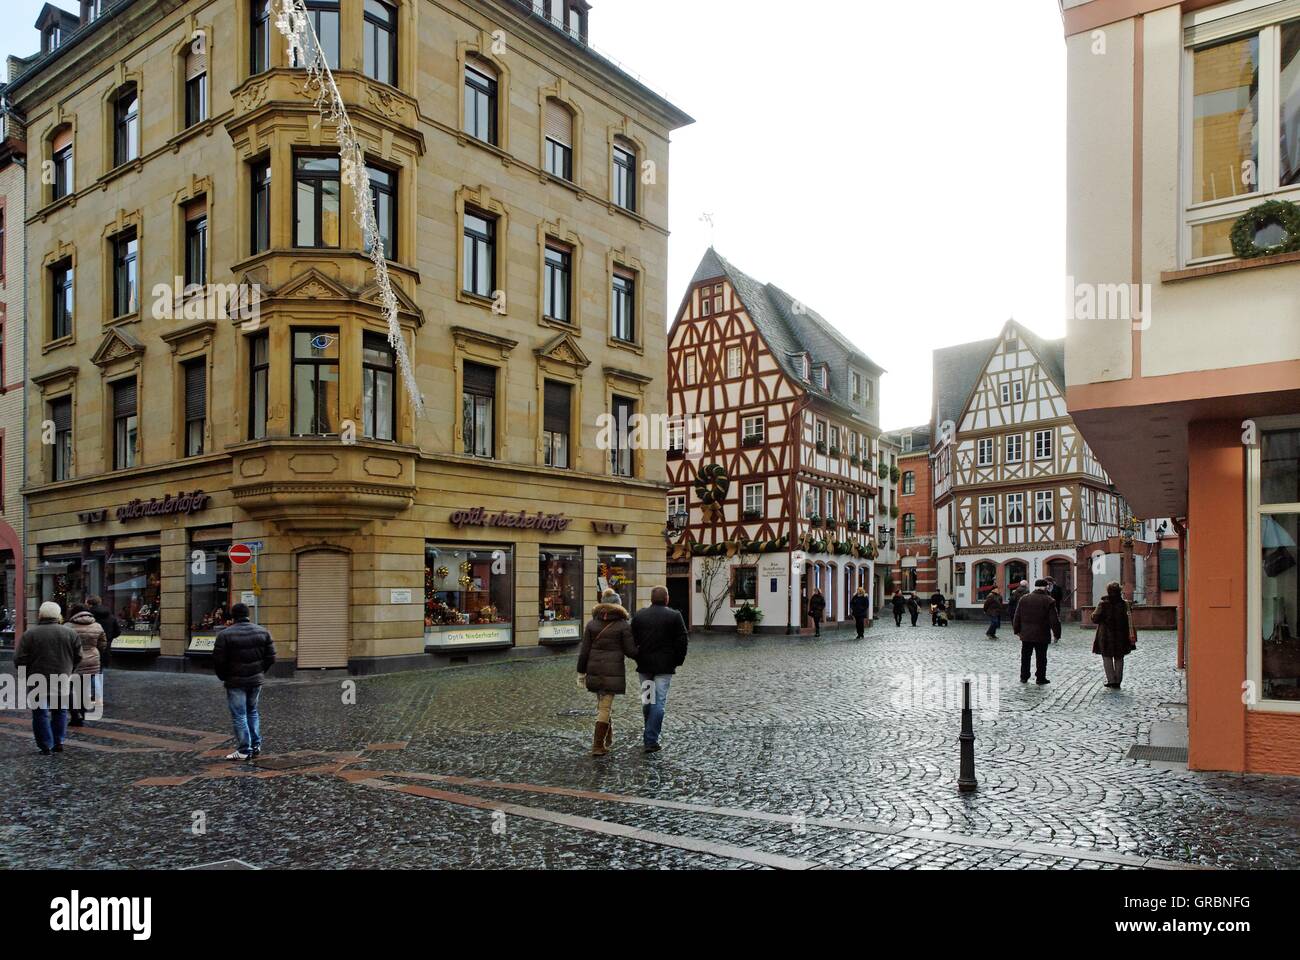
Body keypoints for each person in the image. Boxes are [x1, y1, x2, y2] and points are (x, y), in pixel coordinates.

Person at [212, 603, 276, 761]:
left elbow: (218, 661)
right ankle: (255, 745)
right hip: (255, 680)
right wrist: (260, 671)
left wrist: (224, 676)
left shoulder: (225, 635)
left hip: (235, 681)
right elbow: (271, 657)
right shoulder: (263, 632)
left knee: (239, 715)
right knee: (252, 711)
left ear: (233, 616)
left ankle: (244, 750)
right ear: (248, 614)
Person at [15, 602, 81, 755]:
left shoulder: (30, 634)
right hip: (62, 677)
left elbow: (20, 659)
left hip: (37, 679)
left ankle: (45, 745)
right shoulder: (70, 633)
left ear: (41, 615)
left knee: (40, 712)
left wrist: (25, 675)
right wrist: (69, 670)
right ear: (58, 616)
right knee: (60, 711)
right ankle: (58, 741)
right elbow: (79, 656)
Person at [578, 590, 638, 757]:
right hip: (612, 672)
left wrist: (581, 672)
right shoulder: (623, 626)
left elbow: (584, 652)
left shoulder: (591, 624)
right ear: (617, 605)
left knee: (602, 705)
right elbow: (631, 651)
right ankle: (598, 745)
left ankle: (607, 739)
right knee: (605, 707)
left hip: (594, 670)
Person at [630, 586, 689, 754]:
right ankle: (651, 739)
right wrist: (677, 661)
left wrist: (637, 656)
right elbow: (683, 641)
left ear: (651, 599)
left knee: (648, 700)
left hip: (645, 666)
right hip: (664, 667)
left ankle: (649, 732)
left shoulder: (640, 615)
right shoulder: (674, 616)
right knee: (659, 702)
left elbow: (631, 639)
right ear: (666, 599)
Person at [1012, 579, 1061, 685]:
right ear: (1046, 587)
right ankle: (1040, 677)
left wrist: (1016, 630)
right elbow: (1054, 620)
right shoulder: (1049, 600)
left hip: (1026, 634)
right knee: (1041, 657)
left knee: (1025, 656)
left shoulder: (1024, 599)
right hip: (1042, 634)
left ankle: (1024, 677)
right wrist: (1057, 634)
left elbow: (1017, 616)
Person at [67, 603, 107, 727]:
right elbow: (102, 644)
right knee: (84, 689)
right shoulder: (97, 626)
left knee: (68, 689)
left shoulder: (68, 626)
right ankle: (82, 714)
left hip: (73, 661)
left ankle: (75, 715)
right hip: (92, 660)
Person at [1092, 581, 1136, 689]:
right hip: (1121, 635)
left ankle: (1111, 680)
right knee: (1119, 658)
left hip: (1106, 636)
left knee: (1107, 658)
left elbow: (1095, 618)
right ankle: (1118, 681)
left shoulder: (1103, 604)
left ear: (1108, 591)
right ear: (1119, 591)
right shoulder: (1125, 604)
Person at [87, 595, 120, 702]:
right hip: (105, 648)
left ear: (89, 604)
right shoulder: (110, 616)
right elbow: (118, 632)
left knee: (87, 672)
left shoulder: (88, 616)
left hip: (90, 648)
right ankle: (97, 694)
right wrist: (108, 639)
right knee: (99, 672)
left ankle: (90, 694)